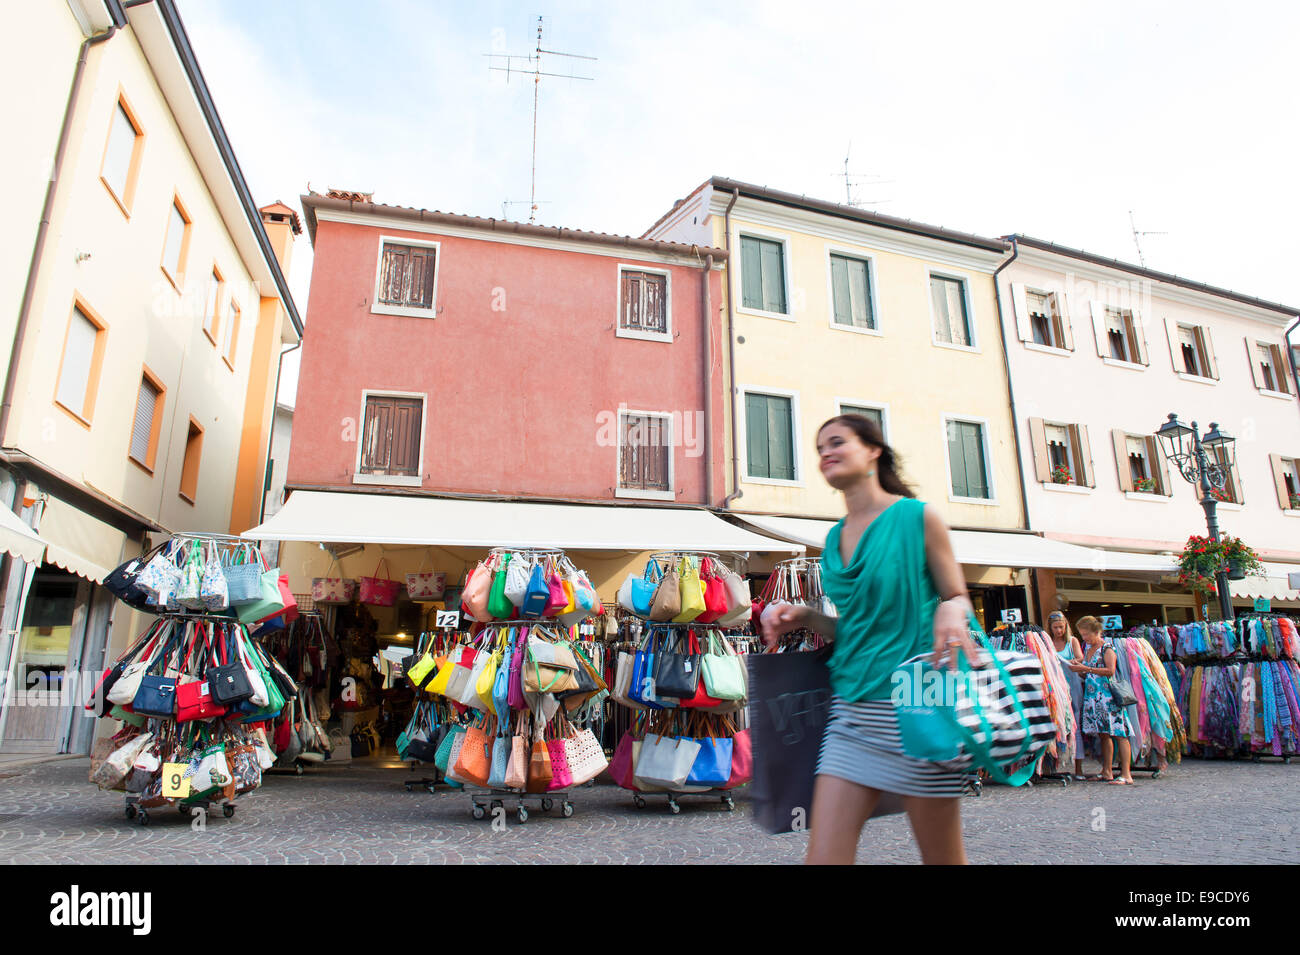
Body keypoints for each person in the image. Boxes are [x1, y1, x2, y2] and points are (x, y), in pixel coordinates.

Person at [761, 414, 979, 865]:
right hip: (852, 710)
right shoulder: (833, 538)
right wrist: (805, 616)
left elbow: (957, 595)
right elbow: (856, 631)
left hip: (921, 700)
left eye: (837, 442)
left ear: (873, 450)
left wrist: (949, 609)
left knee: (942, 859)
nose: (826, 454)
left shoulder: (917, 518)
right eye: (820, 448)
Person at [1068, 615, 1135, 785]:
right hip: (1094, 696)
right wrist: (1079, 669)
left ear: (1096, 632)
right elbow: (1088, 672)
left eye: (1086, 634)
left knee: (1120, 733)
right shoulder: (1088, 649)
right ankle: (1107, 770)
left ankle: (1126, 773)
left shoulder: (1107, 647)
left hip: (1108, 696)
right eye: (1082, 635)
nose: (1084, 638)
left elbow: (1110, 670)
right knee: (1104, 735)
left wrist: (1086, 668)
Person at [1046, 610, 1085, 779]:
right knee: (1056, 721)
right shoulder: (1047, 642)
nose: (1059, 631)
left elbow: (1080, 658)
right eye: (1055, 627)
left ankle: (1079, 766)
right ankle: (1053, 764)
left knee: (1075, 723)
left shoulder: (1072, 641)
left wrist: (1073, 662)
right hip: (1056, 686)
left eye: (1061, 627)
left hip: (1072, 683)